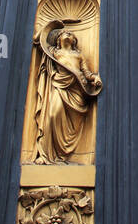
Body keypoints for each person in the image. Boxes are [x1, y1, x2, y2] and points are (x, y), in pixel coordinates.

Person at [33, 23, 102, 163]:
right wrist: (45, 29)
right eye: (65, 33)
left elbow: (86, 73)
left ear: (74, 41)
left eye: (71, 34)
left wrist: (95, 78)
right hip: (59, 85)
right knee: (52, 114)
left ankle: (63, 155)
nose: (68, 34)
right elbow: (40, 43)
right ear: (58, 40)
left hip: (76, 89)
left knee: (72, 122)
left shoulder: (78, 55)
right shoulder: (54, 52)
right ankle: (47, 154)